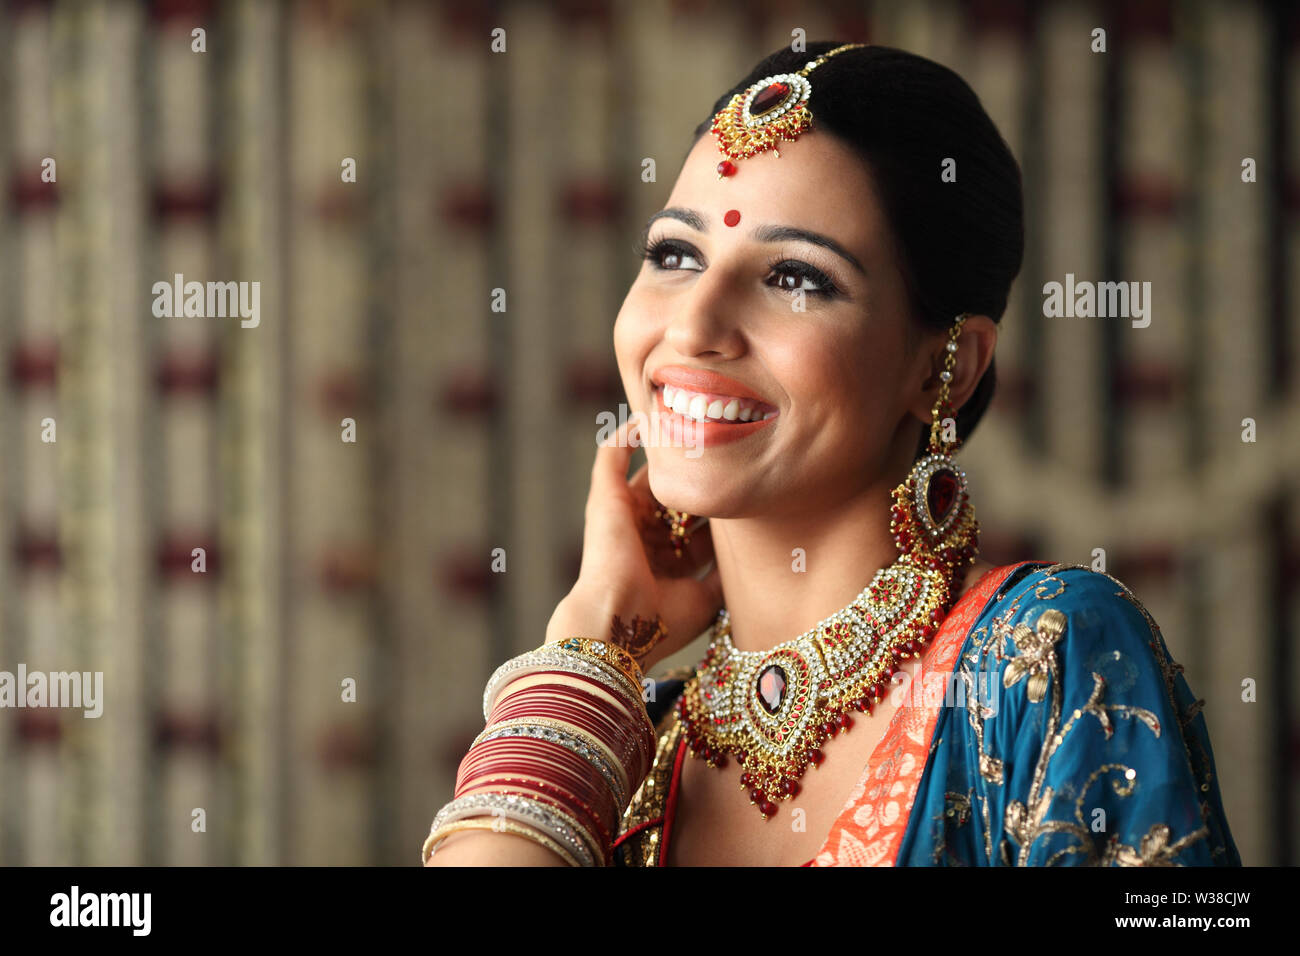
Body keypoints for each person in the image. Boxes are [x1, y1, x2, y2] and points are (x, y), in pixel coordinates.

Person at [423, 42, 1241, 867]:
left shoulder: (1041, 663)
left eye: (795, 278)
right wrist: (589, 643)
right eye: (675, 255)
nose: (694, 328)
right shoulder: (623, 749)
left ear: (945, 368)